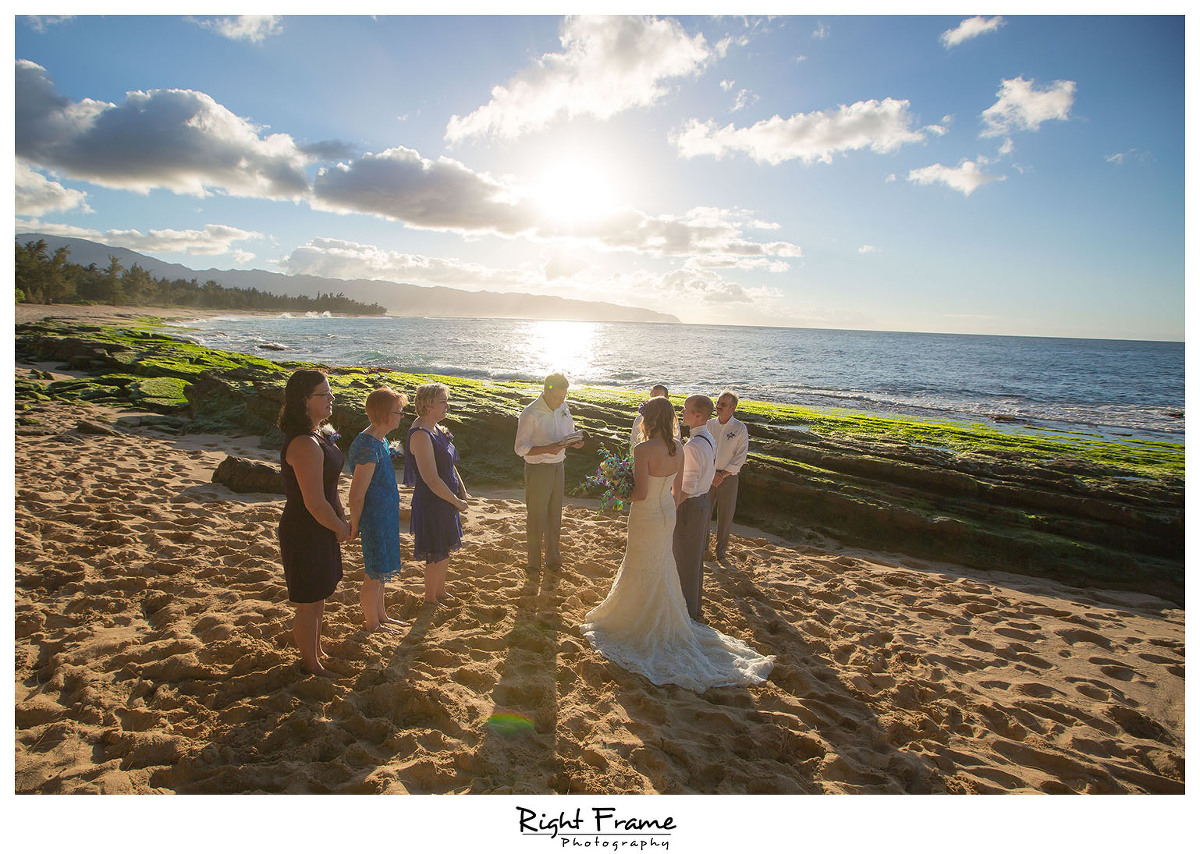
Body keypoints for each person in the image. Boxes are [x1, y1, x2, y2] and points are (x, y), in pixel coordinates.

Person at [580, 397, 774, 692]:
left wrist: (618, 490)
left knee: (640, 563)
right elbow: (678, 490)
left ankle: (637, 616)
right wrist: (665, 508)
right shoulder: (678, 447)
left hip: (646, 514)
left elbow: (640, 494)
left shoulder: (643, 449)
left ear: (649, 419)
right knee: (661, 564)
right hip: (667, 513)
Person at [277, 369, 350, 677]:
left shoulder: (318, 434)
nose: (331, 397)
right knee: (308, 602)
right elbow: (315, 503)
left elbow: (329, 490)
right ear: (304, 400)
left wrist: (339, 518)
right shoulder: (304, 444)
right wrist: (339, 527)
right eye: (324, 393)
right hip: (305, 530)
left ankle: (317, 652)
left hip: (320, 526)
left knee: (319, 595)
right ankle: (310, 664)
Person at [348, 386, 411, 634]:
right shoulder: (367, 446)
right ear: (384, 414)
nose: (401, 416)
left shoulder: (380, 440)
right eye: (398, 412)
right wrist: (355, 523)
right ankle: (372, 623)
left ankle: (382, 616)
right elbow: (357, 494)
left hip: (386, 514)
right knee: (373, 573)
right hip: (374, 517)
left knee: (382, 570)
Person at [402, 383, 469, 606]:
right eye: (443, 401)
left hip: (446, 498)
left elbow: (449, 465)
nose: (447, 406)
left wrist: (462, 490)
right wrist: (456, 501)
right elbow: (431, 478)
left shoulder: (436, 428)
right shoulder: (420, 435)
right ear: (428, 405)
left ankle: (440, 590)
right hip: (432, 502)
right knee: (435, 551)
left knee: (445, 548)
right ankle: (430, 597)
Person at [514, 372, 584, 576]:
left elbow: (568, 431)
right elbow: (520, 448)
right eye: (557, 397)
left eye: (564, 397)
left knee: (555, 515)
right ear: (546, 391)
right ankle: (533, 564)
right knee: (536, 517)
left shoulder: (563, 406)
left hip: (558, 466)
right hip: (538, 468)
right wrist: (547, 449)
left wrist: (575, 441)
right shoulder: (530, 413)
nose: (561, 401)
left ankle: (553, 559)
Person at [672, 394, 717, 621]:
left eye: (686, 409)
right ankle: (694, 606)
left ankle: (687, 612)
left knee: (685, 560)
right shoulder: (709, 438)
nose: (682, 412)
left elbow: (688, 486)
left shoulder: (693, 446)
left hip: (690, 506)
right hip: (703, 501)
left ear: (698, 415)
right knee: (695, 558)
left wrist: (671, 506)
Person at [707, 389, 750, 563]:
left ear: (732, 408)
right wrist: (711, 473)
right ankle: (703, 548)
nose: (718, 406)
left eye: (723, 404)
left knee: (725, 516)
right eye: (718, 403)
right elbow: (703, 450)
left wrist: (723, 474)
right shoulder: (709, 425)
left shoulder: (740, 428)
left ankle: (721, 551)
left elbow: (741, 456)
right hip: (708, 476)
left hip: (729, 477)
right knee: (704, 513)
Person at [629, 384, 678, 454]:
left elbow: (676, 442)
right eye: (653, 397)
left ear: (667, 399)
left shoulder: (672, 420)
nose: (656, 401)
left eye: (659, 397)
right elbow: (634, 444)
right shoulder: (640, 420)